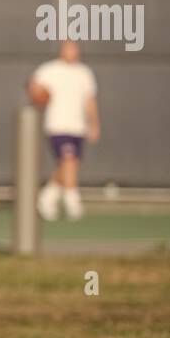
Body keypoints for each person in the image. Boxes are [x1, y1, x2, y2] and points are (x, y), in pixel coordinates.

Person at [29, 39, 100, 221]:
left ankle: (47, 197)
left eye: (74, 48)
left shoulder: (84, 73)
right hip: (57, 125)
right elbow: (34, 88)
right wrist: (38, 94)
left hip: (78, 127)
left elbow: (89, 101)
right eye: (68, 48)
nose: (72, 51)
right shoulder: (49, 70)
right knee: (69, 161)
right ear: (62, 50)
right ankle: (72, 202)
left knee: (69, 165)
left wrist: (94, 124)